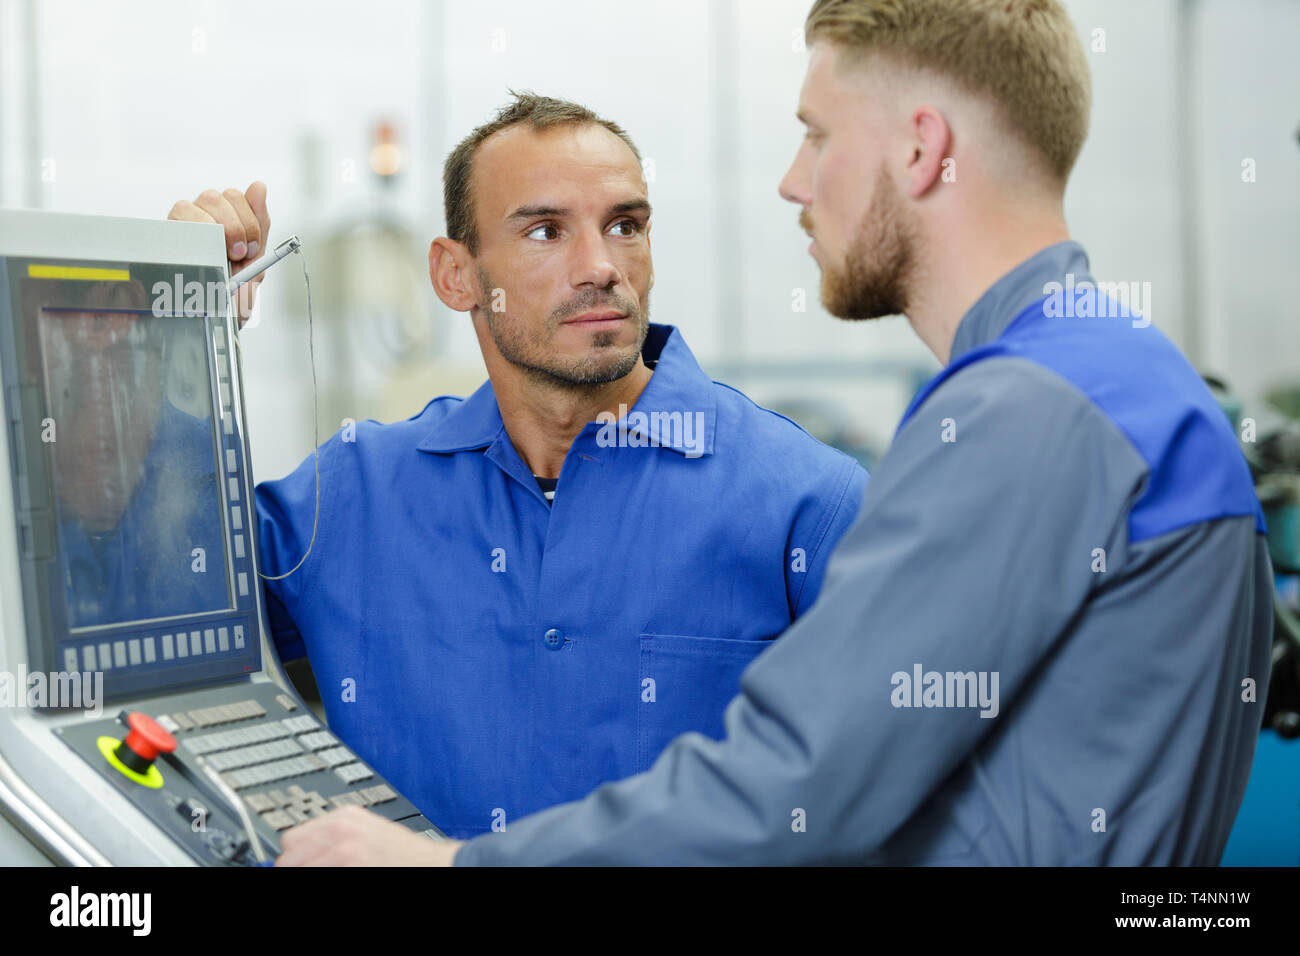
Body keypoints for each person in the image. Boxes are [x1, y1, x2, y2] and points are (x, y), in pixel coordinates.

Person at [274, 0, 1273, 866]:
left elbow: (801, 778)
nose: (794, 181)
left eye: (817, 134)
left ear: (920, 148)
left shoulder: (1023, 409)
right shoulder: (1126, 378)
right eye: (545, 230)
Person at [168, 94, 867, 839]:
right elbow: (145, 596)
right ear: (455, 277)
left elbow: (888, 803)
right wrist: (169, 319)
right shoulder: (352, 496)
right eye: (545, 230)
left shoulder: (808, 505)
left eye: (625, 226)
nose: (601, 267)